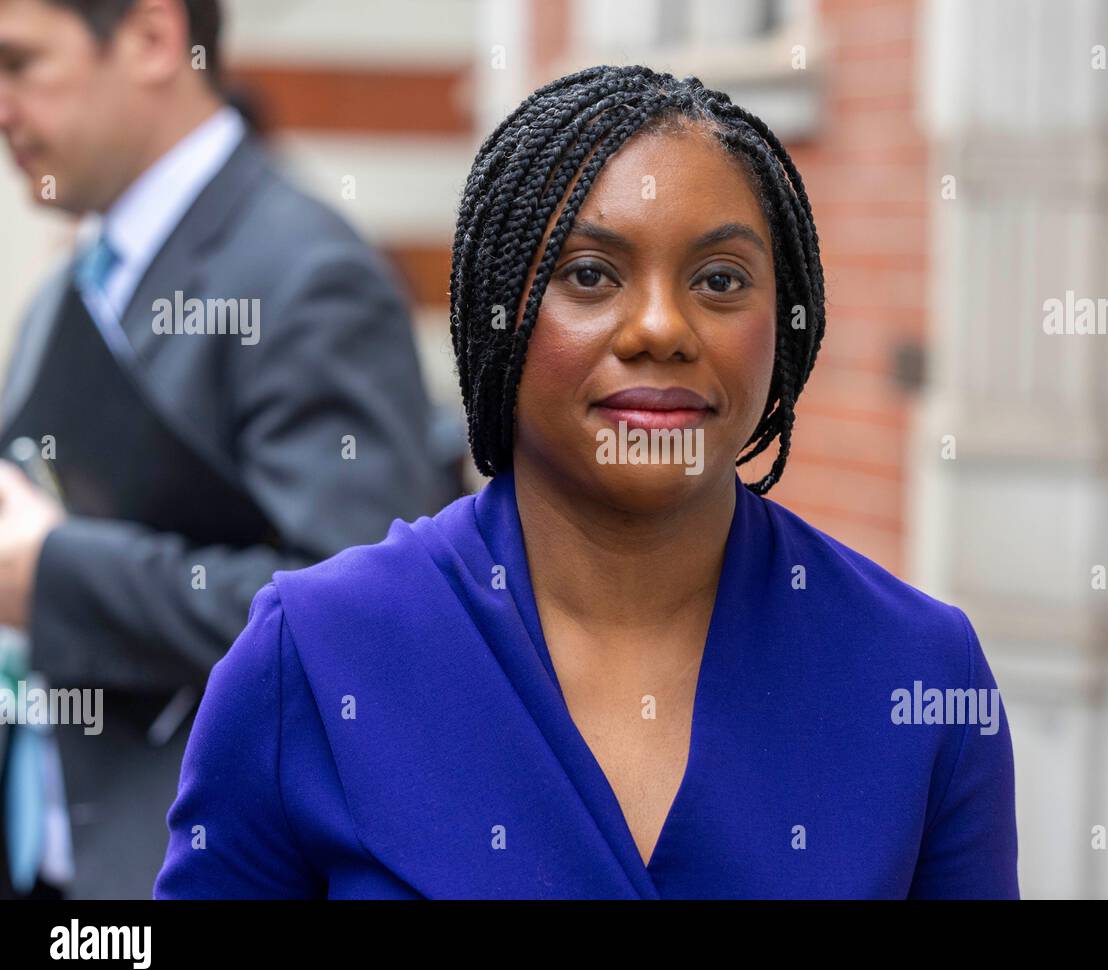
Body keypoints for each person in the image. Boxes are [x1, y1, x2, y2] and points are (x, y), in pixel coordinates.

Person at [154, 65, 1019, 899]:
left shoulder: (918, 673)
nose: (659, 328)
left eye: (720, 280)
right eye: (591, 275)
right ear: (502, 314)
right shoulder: (312, 653)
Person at [0, 0, 454, 898]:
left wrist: (50, 572)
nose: (2, 104)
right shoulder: (73, 286)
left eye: (21, 64)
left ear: (156, 40)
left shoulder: (307, 273)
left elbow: (357, 617)